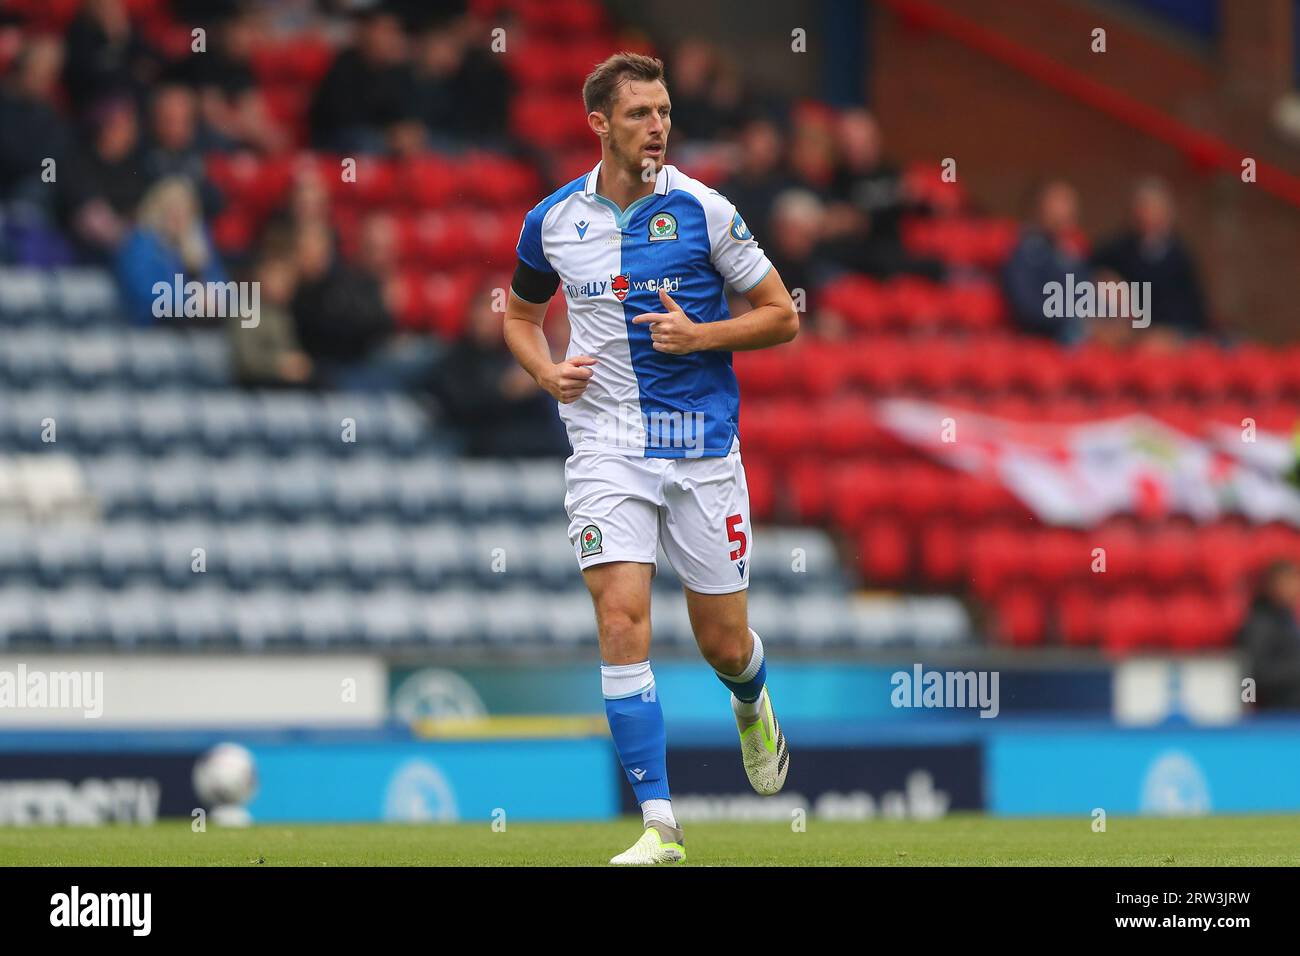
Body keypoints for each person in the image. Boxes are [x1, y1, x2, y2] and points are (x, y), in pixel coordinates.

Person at [503, 52, 798, 864]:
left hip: (699, 447)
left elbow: (781, 316)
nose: (658, 125)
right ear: (599, 124)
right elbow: (520, 317)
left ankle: (750, 702)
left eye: (664, 111)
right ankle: (660, 825)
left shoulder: (706, 212)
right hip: (605, 447)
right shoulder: (552, 221)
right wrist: (544, 370)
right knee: (620, 617)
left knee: (723, 643)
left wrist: (702, 335)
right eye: (640, 113)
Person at [1090, 178, 1211, 338]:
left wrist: (1166, 331)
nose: (1146, 215)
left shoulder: (1180, 257)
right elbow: (1090, 269)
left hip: (1169, 332)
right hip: (1126, 329)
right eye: (1142, 208)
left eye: (1152, 208)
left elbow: (1194, 311)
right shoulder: (1118, 249)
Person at [1003, 180, 1089, 344]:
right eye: (1060, 203)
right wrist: (1076, 320)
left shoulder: (1072, 251)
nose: (1067, 211)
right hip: (1046, 339)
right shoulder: (1024, 251)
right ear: (1039, 208)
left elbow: (1085, 294)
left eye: (1070, 204)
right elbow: (1027, 308)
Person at [1237, 560, 1300, 710]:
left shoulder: (1287, 618)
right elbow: (1252, 674)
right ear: (1271, 586)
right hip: (1275, 713)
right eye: (1288, 582)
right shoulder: (1260, 624)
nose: (1295, 588)